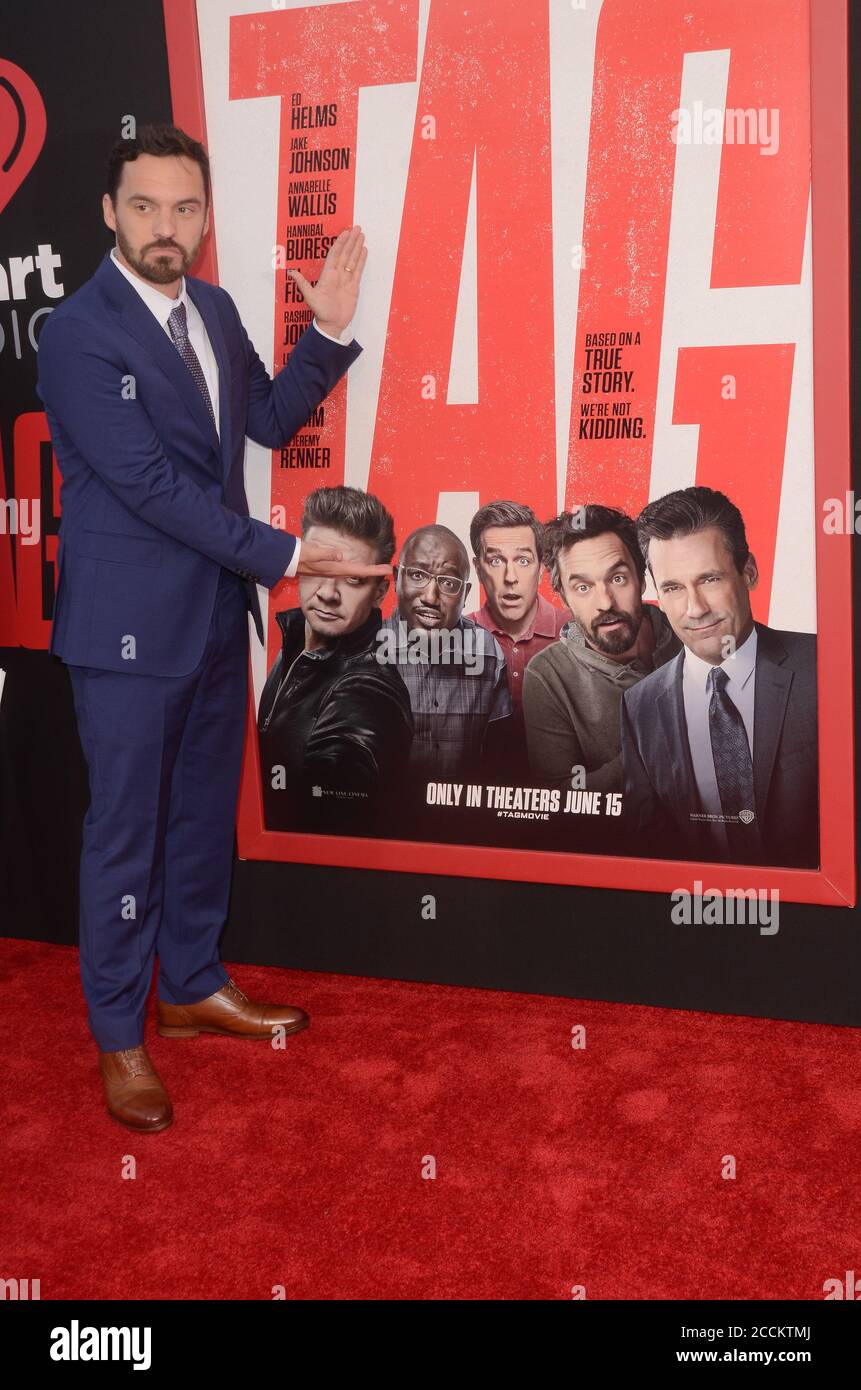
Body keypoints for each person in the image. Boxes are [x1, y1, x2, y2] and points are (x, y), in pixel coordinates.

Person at [36, 123, 388, 1134]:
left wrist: (322, 333)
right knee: (124, 836)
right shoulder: (78, 330)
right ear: (110, 213)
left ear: (202, 215)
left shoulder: (218, 307)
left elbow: (270, 421)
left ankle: (190, 985)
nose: (166, 226)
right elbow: (149, 487)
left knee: (198, 819)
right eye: (144, 206)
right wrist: (286, 556)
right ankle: (118, 1033)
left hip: (208, 618)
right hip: (124, 631)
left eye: (184, 207)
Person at [620, 486, 818, 865]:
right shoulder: (638, 707)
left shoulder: (825, 668)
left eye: (709, 579)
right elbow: (649, 851)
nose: (695, 609)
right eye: (673, 588)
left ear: (749, 572)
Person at [258, 486, 413, 832]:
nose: (328, 593)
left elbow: (330, 818)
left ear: (380, 591)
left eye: (354, 579)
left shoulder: (367, 690)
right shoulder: (298, 639)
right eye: (318, 568)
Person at [523, 505, 678, 791]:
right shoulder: (547, 675)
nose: (605, 603)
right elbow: (559, 801)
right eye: (583, 587)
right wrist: (655, 746)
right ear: (564, 599)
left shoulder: (690, 636)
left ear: (643, 579)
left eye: (618, 579)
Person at [378, 524, 511, 781]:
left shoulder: (487, 653)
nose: (430, 596)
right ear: (397, 579)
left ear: (465, 594)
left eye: (449, 582)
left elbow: (500, 764)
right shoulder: (366, 648)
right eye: (417, 575)